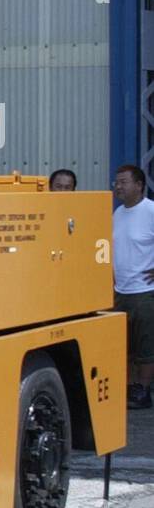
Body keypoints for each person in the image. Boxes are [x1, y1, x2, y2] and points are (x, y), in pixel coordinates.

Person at [113, 164, 154, 409]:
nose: (118, 186)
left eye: (123, 182)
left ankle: (144, 390)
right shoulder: (118, 214)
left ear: (139, 185)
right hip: (120, 291)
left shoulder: (150, 210)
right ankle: (130, 387)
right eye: (116, 182)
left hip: (144, 292)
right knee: (125, 345)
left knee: (146, 345)